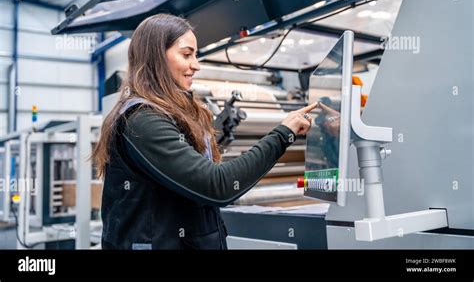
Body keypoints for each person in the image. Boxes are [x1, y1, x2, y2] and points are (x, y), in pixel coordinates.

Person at [92, 14, 319, 250]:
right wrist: (283, 134)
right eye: (187, 54)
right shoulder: (141, 120)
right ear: (156, 56)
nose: (196, 65)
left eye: (196, 55)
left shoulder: (171, 113)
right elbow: (217, 185)